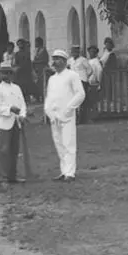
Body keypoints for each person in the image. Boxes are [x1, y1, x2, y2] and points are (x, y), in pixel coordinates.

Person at [44, 50, 86, 182]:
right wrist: (49, 112)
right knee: (59, 144)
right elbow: (49, 97)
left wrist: (69, 109)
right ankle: (64, 170)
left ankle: (70, 172)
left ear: (64, 61)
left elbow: (80, 94)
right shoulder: (52, 78)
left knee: (69, 143)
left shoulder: (72, 75)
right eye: (53, 59)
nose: (55, 62)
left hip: (67, 115)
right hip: (54, 116)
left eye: (58, 59)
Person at [0, 65, 28, 184]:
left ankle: (12, 175)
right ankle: (1, 177)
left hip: (16, 122)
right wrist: (9, 109)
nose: (5, 75)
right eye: (3, 73)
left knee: (14, 150)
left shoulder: (17, 88)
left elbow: (22, 103)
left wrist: (22, 115)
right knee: (3, 150)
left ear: (12, 75)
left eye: (8, 73)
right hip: (4, 123)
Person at [69, 46, 92, 124]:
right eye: (72, 52)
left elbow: (90, 70)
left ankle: (83, 119)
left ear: (78, 52)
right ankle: (75, 118)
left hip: (82, 81)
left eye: (75, 52)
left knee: (82, 101)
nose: (74, 53)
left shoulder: (83, 60)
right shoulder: (70, 61)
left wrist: (85, 77)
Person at [87, 45, 104, 116]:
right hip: (88, 81)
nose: (91, 53)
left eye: (93, 52)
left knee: (93, 99)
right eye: (90, 52)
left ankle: (95, 113)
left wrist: (98, 80)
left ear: (96, 53)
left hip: (93, 81)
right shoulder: (88, 61)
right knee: (89, 98)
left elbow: (100, 71)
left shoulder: (96, 61)